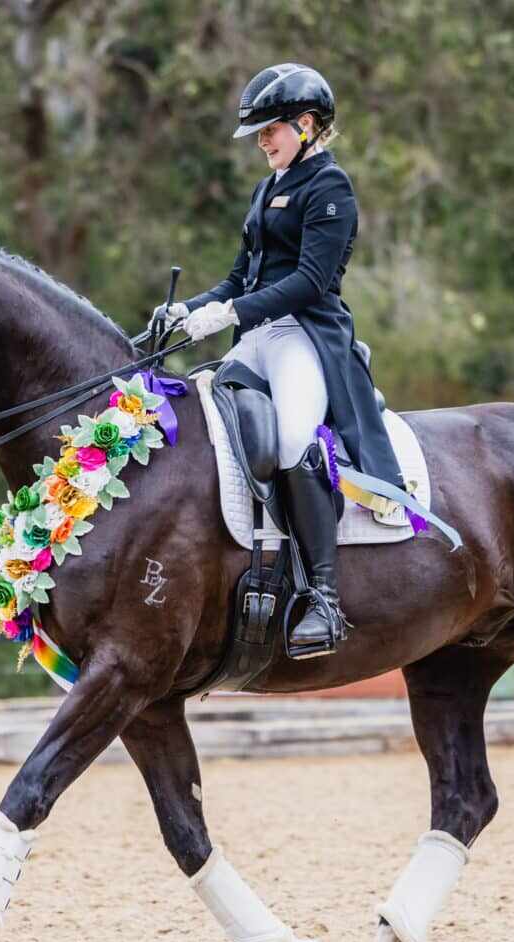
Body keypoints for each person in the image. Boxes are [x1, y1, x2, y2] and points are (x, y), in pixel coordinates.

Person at [157, 62, 408, 659]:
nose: (263, 142)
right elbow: (238, 277)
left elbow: (309, 281)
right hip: (259, 337)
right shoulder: (266, 188)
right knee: (204, 420)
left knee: (295, 441)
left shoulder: (330, 187)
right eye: (260, 133)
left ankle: (323, 596)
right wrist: (187, 311)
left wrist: (229, 315)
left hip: (304, 336)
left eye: (271, 130)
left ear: (306, 124)